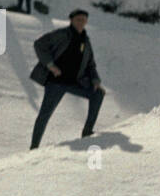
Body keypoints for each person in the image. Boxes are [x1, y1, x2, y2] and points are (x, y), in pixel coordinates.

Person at [29, 10, 106, 147]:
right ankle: (34, 147)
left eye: (84, 20)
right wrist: (50, 65)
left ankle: (87, 132)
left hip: (75, 83)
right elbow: (39, 44)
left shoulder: (85, 41)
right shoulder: (62, 34)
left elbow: (90, 65)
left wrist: (95, 81)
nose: (81, 22)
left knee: (98, 93)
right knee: (44, 115)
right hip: (56, 83)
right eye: (78, 19)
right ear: (71, 20)